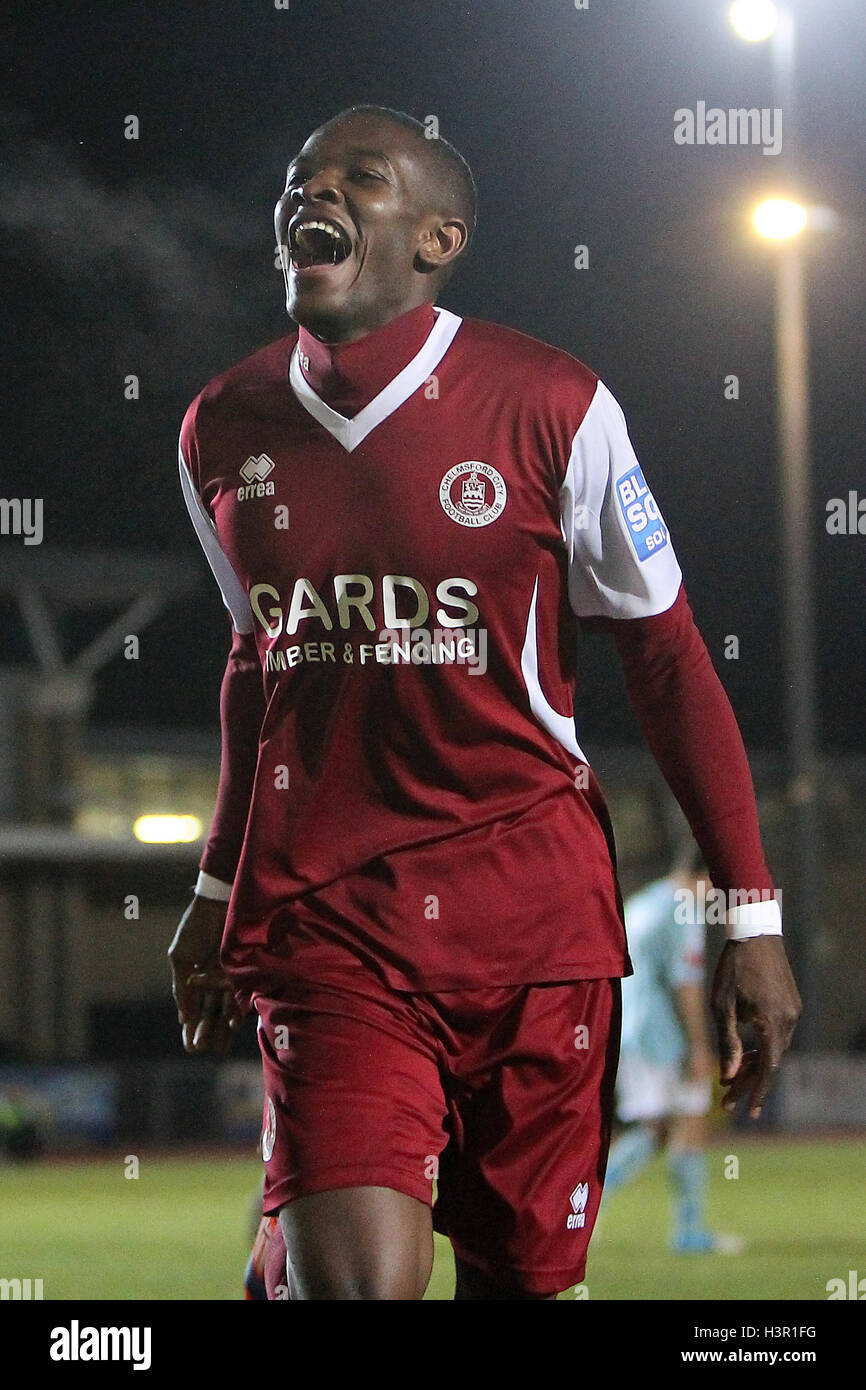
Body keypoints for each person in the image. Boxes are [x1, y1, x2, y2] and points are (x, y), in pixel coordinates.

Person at [167, 104, 801, 1300]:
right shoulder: (220, 427)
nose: (318, 193)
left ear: (437, 237)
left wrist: (750, 917)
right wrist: (215, 886)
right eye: (302, 176)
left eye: (362, 176)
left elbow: (664, 661)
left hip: (534, 927)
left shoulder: (553, 403)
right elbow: (259, 666)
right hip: (331, 923)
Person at [604, 846, 744, 1253]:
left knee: (659, 1128)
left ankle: (584, 1206)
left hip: (631, 1029)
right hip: (659, 1036)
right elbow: (685, 983)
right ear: (707, 876)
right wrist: (700, 1045)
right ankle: (688, 1231)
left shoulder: (645, 901)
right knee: (690, 1121)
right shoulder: (684, 908)